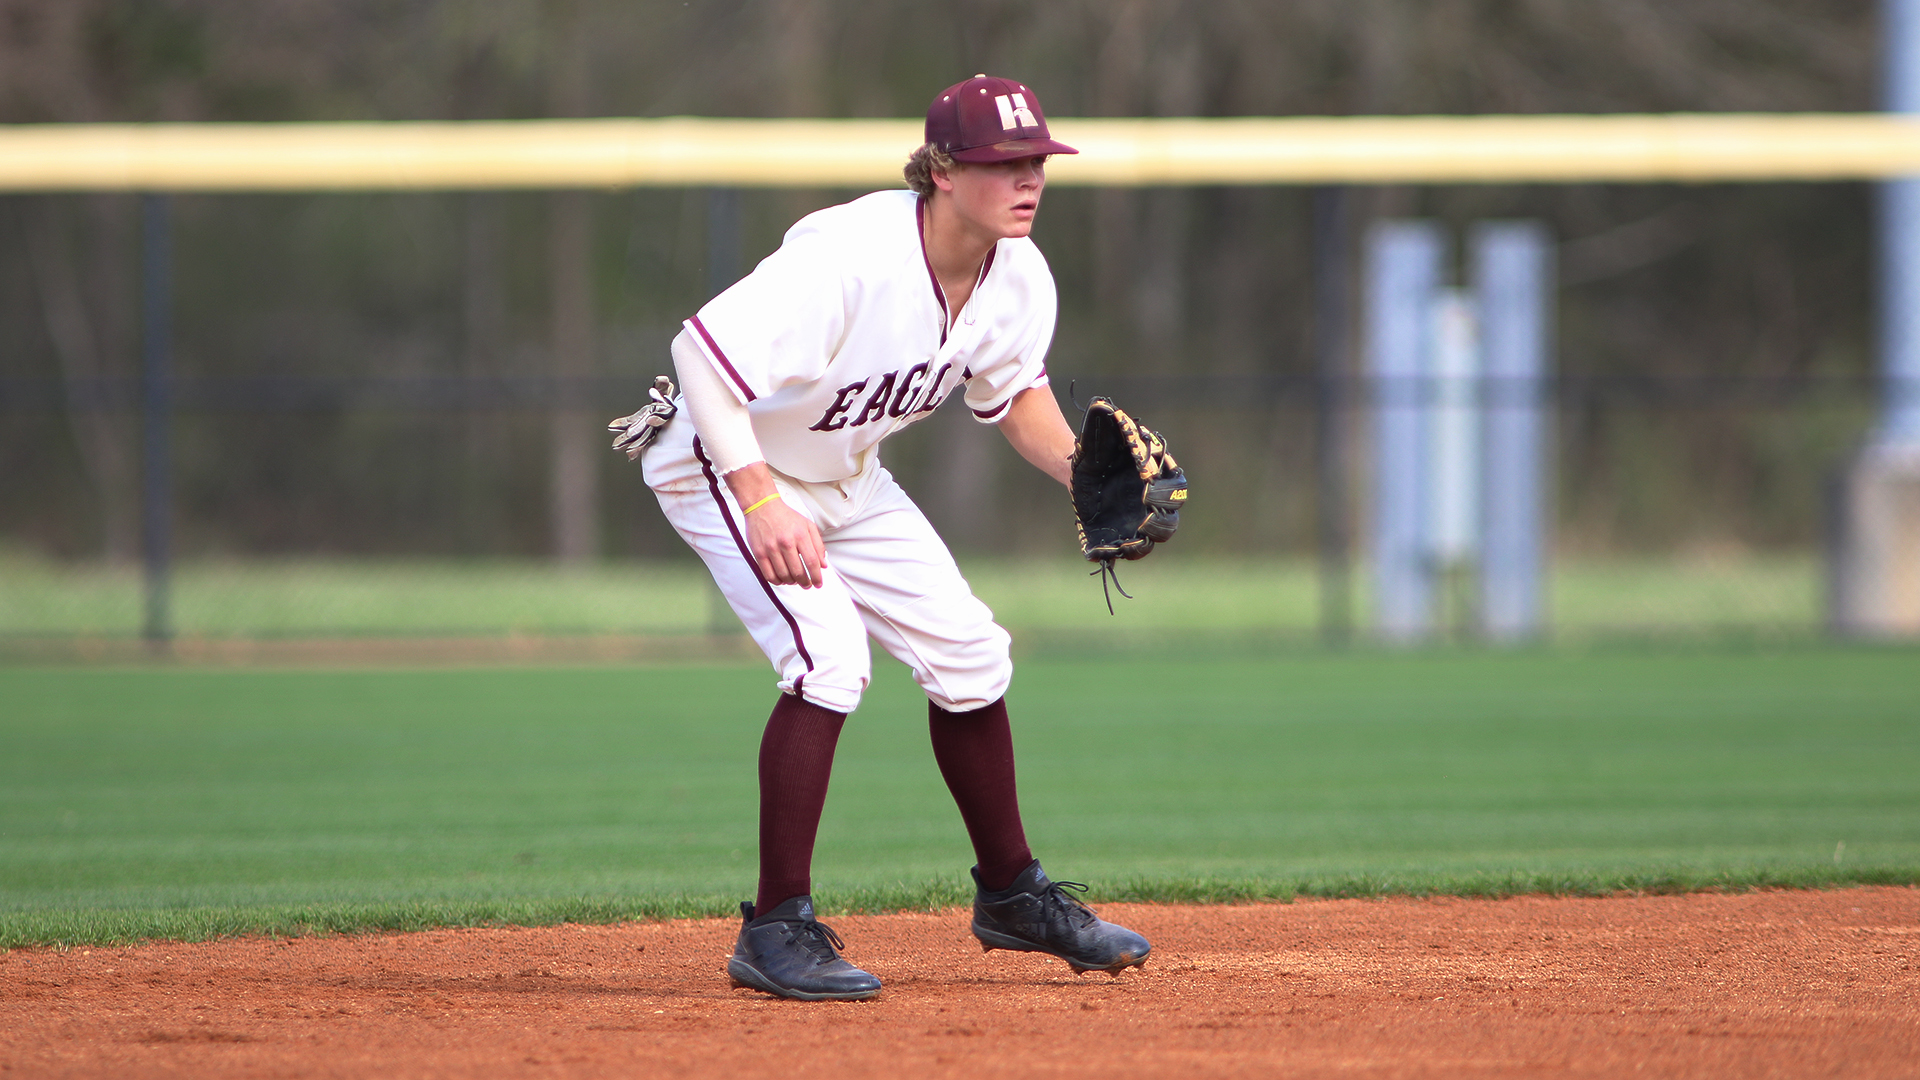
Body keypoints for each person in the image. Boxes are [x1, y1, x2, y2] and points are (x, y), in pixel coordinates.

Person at [628, 75, 1149, 1002]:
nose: (1029, 179)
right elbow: (698, 359)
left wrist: (1087, 475)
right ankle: (775, 926)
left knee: (972, 654)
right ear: (943, 170)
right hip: (723, 457)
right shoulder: (850, 257)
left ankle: (1012, 896)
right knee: (828, 659)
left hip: (846, 474)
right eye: (1004, 163)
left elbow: (1013, 394)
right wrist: (760, 501)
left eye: (1037, 162)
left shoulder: (1018, 274)